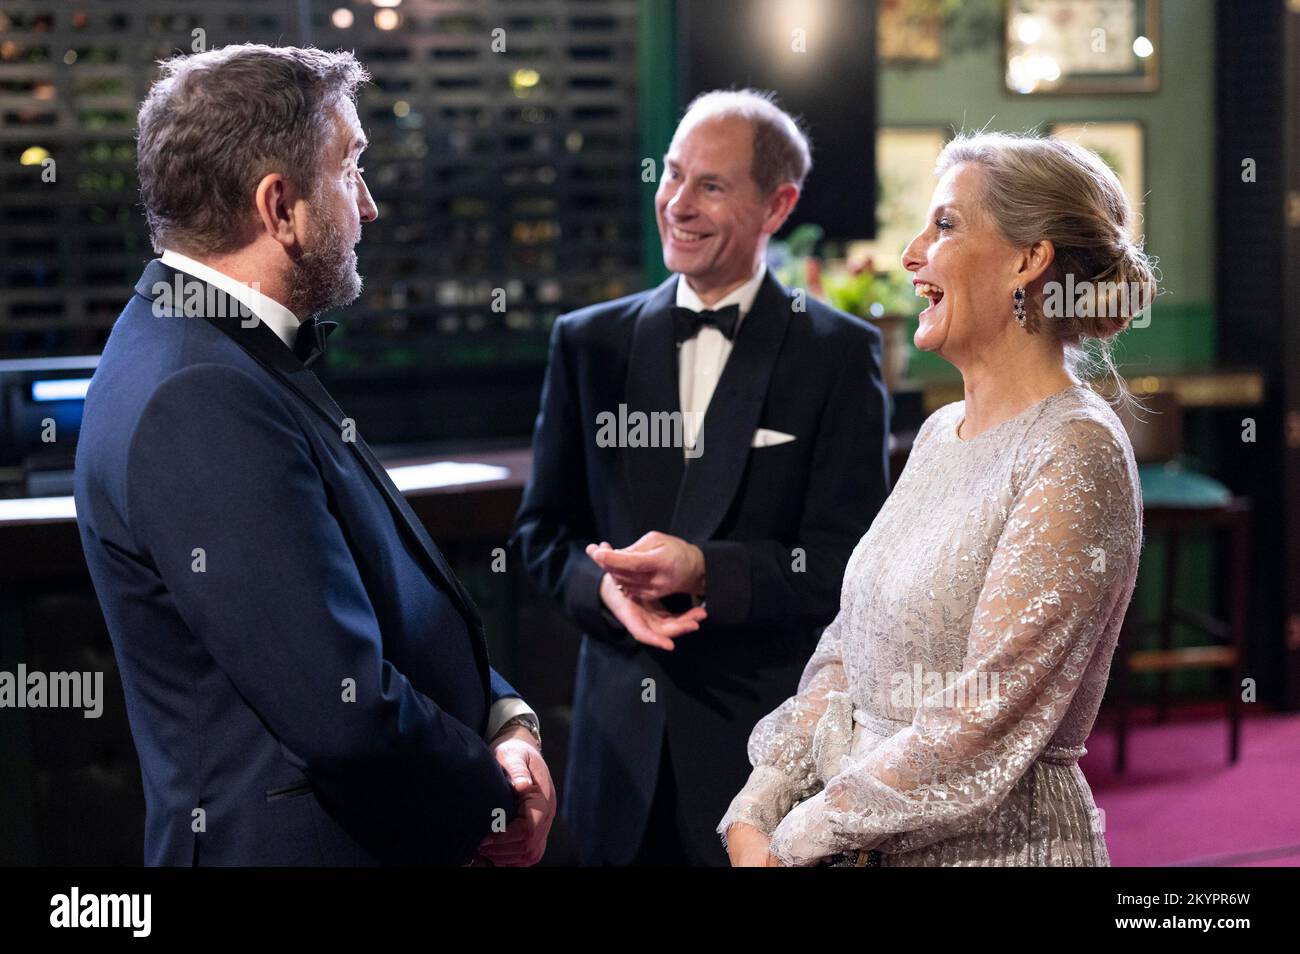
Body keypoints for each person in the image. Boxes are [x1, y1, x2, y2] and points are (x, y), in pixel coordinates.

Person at [74, 44, 554, 866]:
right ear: (280, 206)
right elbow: (342, 713)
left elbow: (384, 614)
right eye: (351, 167)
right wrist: (492, 798)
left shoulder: (216, 350)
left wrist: (504, 716)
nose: (368, 206)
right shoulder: (198, 389)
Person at [720, 131, 1150, 866]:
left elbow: (982, 719)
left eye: (945, 225)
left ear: (1028, 260)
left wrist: (796, 840)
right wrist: (759, 801)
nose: (911, 253)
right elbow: (848, 649)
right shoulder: (938, 431)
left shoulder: (1076, 450)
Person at [511, 89, 890, 866]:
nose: (678, 204)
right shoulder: (588, 344)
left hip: (761, 754)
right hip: (614, 757)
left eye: (710, 186)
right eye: (673, 175)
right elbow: (541, 535)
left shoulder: (836, 355)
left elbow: (849, 571)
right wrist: (605, 590)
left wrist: (707, 570)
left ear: (777, 204)